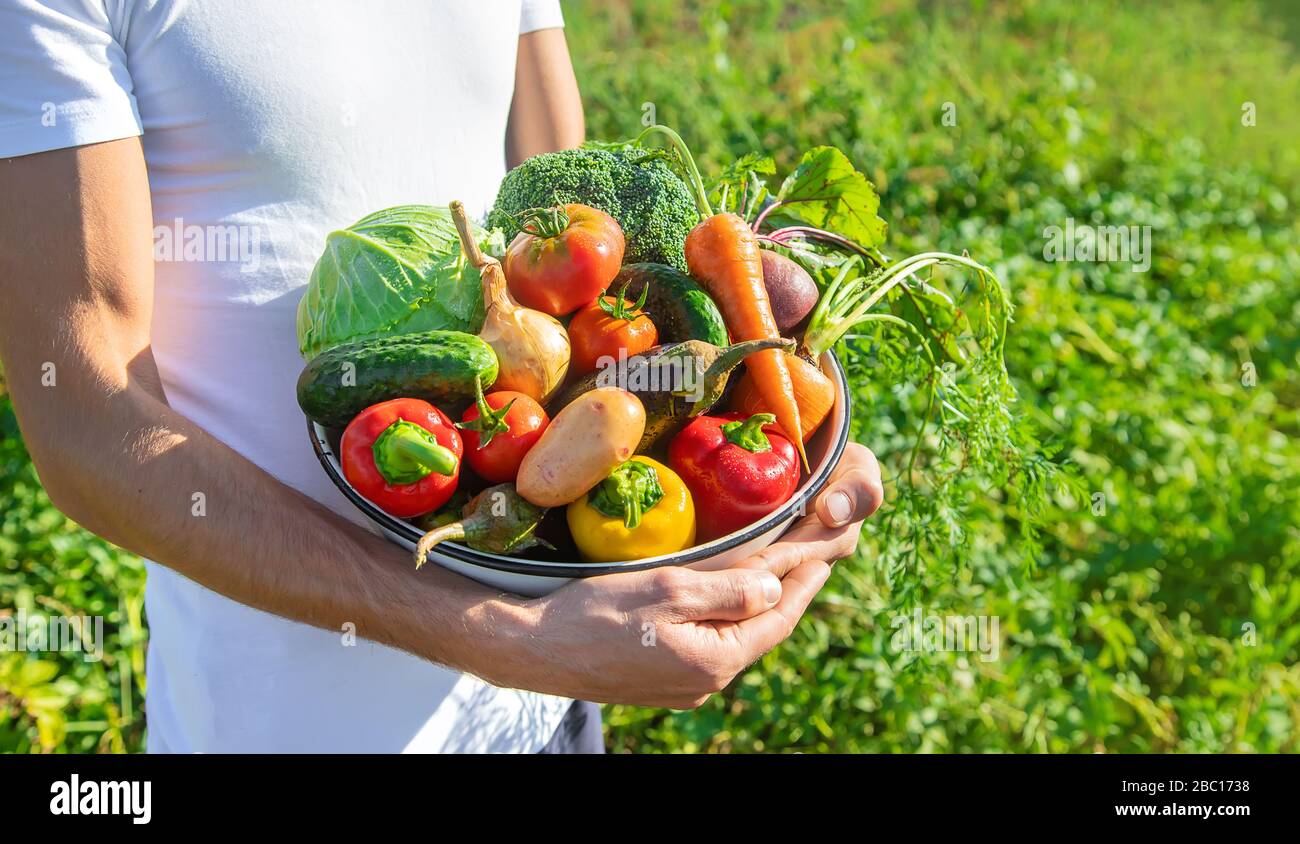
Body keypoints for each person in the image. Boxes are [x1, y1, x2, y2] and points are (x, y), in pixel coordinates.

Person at [0, 0, 884, 753]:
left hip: (546, 715)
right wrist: (513, 637)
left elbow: (560, 209)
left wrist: (780, 405)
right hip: (291, 729)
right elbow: (88, 421)